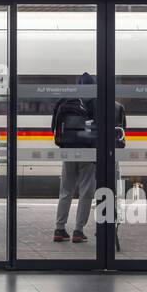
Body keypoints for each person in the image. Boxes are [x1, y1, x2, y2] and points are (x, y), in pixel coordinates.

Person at [51, 73, 127, 244]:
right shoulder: (99, 102)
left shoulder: (65, 101)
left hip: (68, 152)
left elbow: (53, 129)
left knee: (66, 191)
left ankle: (59, 228)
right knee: (86, 193)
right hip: (89, 153)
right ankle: (78, 231)